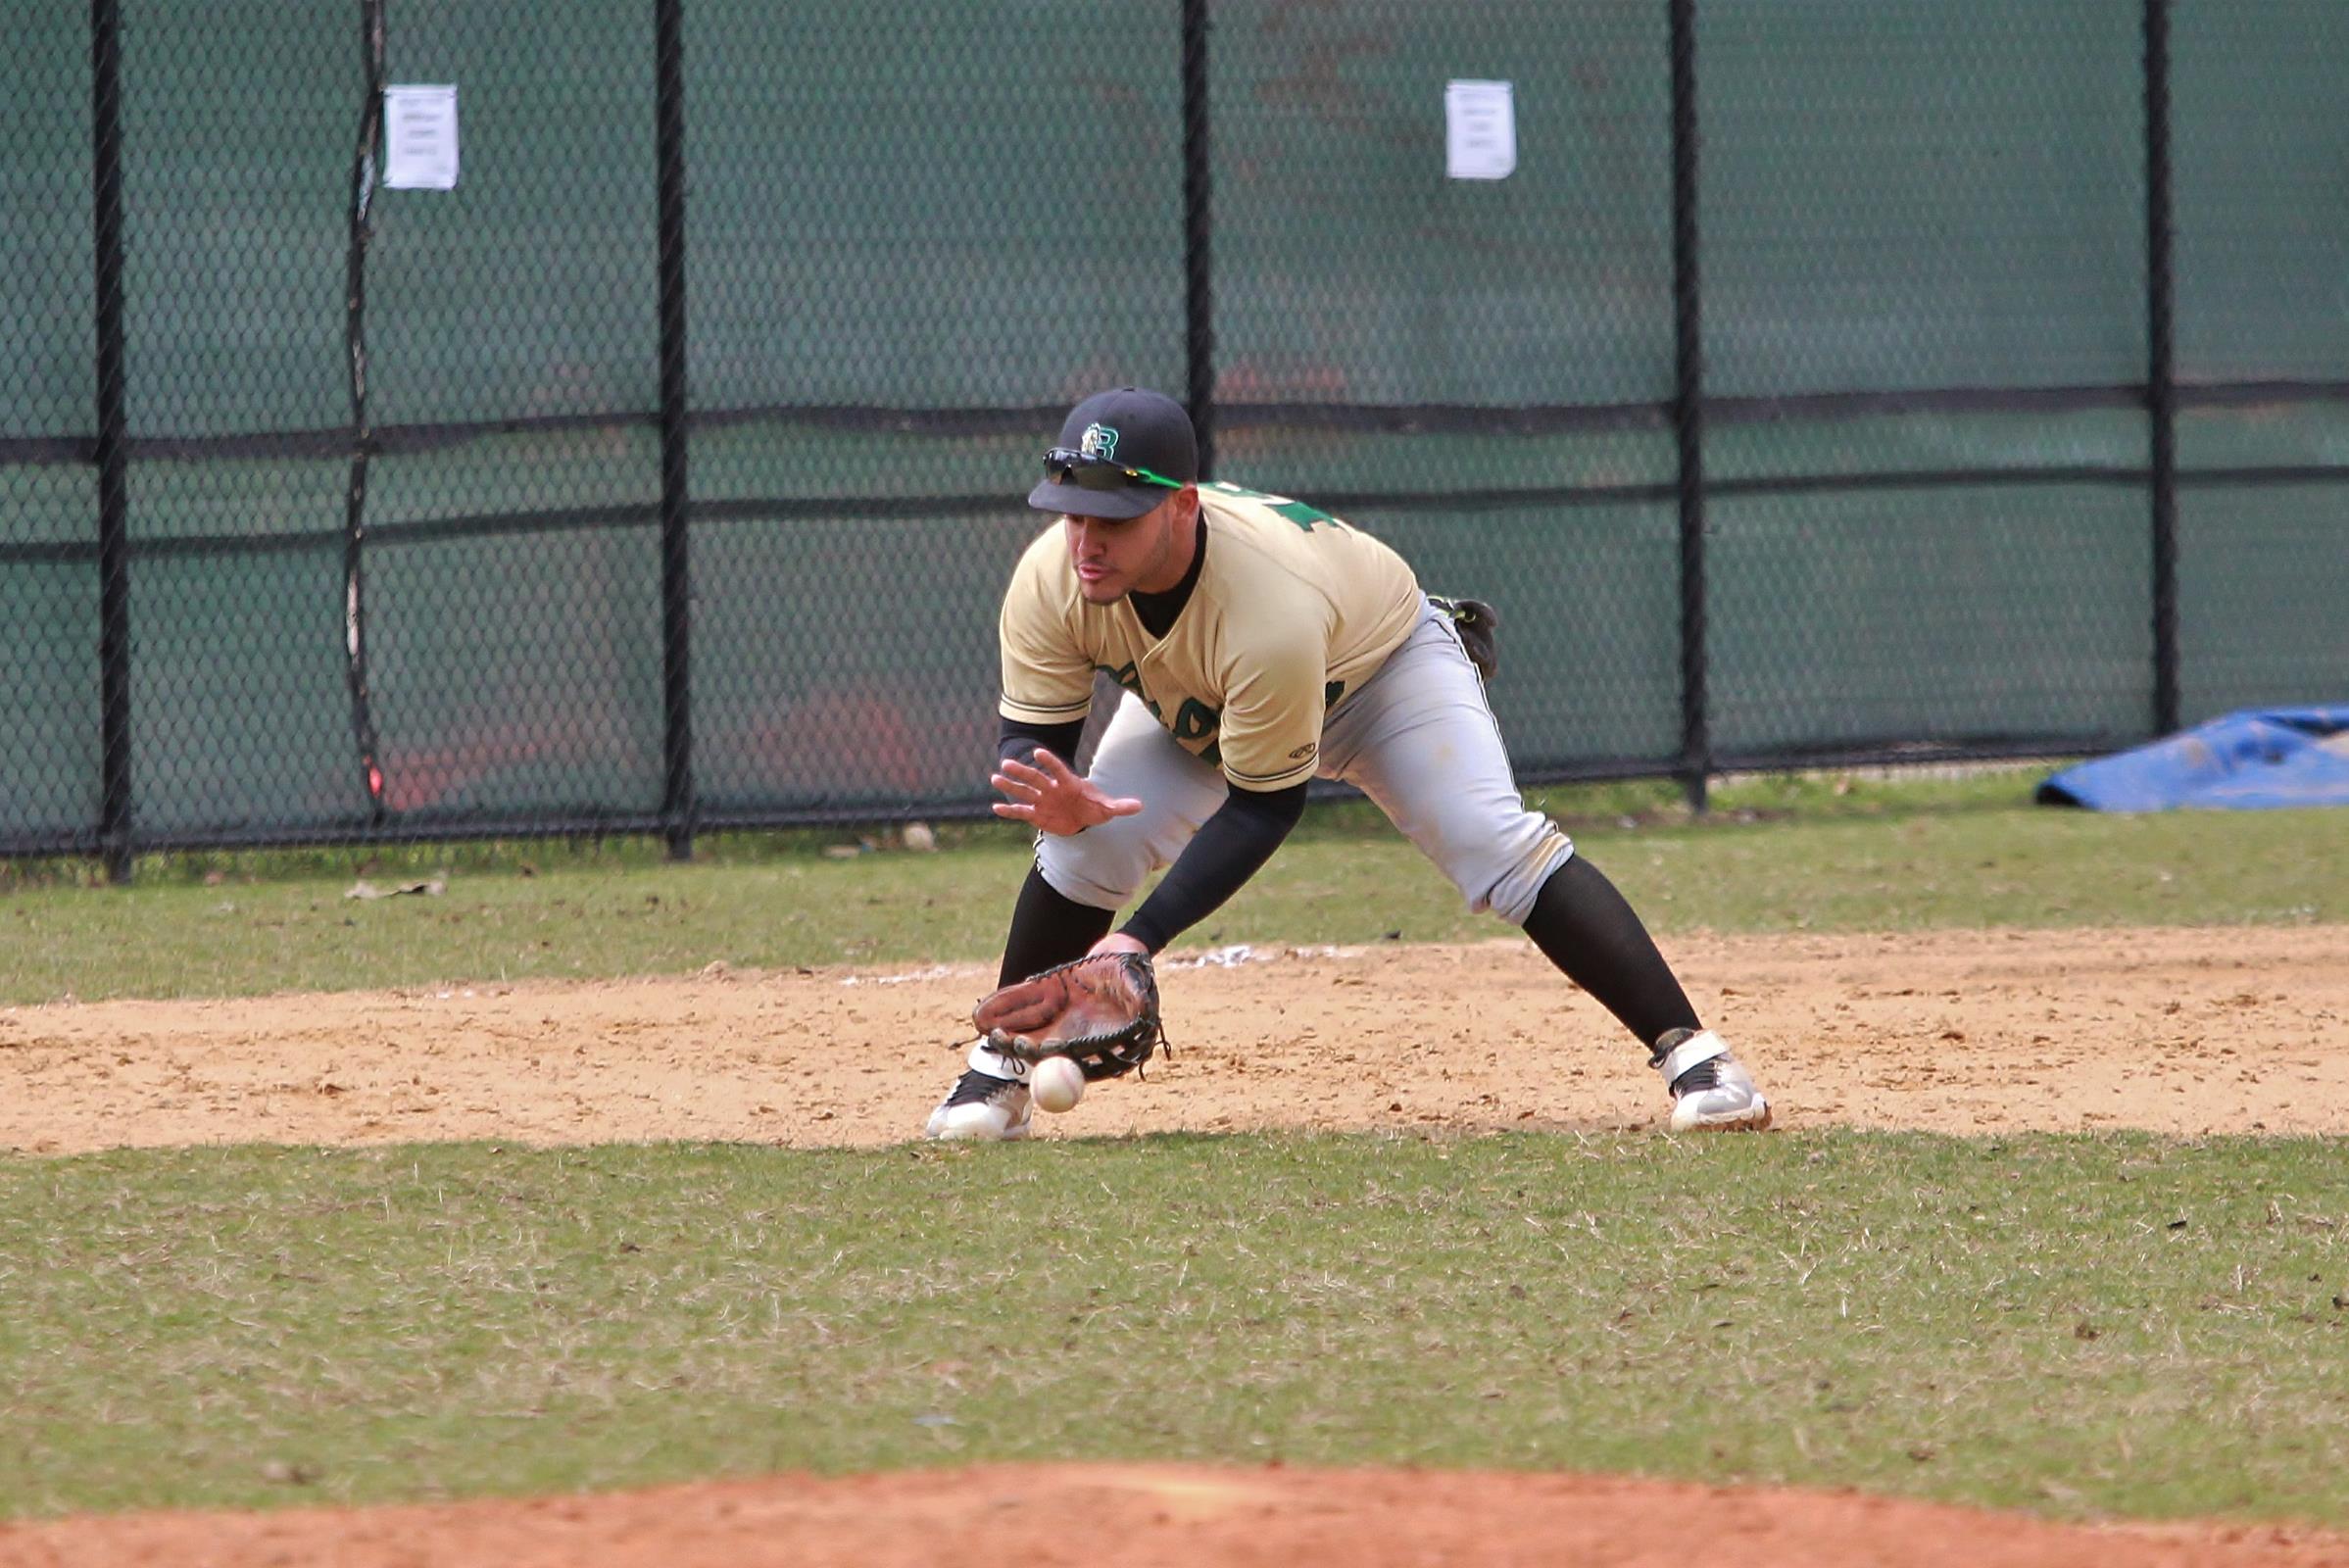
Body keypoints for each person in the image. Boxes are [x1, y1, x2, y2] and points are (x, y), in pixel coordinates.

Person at [924, 386, 1771, 1141]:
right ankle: (1000, 1069)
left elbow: (1263, 805)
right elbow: (1030, 740)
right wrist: (1054, 795)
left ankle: (1701, 1062)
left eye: (1114, 519)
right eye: (1072, 511)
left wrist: (1137, 943)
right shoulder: (1052, 577)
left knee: (1490, 842)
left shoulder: (1265, 606)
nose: (1086, 541)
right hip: (1212, 699)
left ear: (1182, 507)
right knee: (1087, 847)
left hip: (1379, 670)